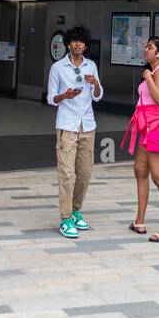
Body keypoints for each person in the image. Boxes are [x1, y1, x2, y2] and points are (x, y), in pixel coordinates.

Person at [47, 25, 102, 239]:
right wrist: (64, 96)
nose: (78, 44)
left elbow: (97, 96)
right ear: (68, 43)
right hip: (67, 126)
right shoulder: (58, 67)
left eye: (81, 41)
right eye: (74, 41)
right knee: (66, 173)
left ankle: (76, 209)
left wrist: (95, 83)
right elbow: (51, 98)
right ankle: (66, 218)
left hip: (88, 125)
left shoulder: (91, 66)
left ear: (86, 45)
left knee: (85, 173)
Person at [126, 36, 159, 243]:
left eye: (149, 47)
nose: (145, 50)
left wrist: (148, 76)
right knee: (140, 171)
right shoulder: (155, 71)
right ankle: (139, 220)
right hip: (145, 126)